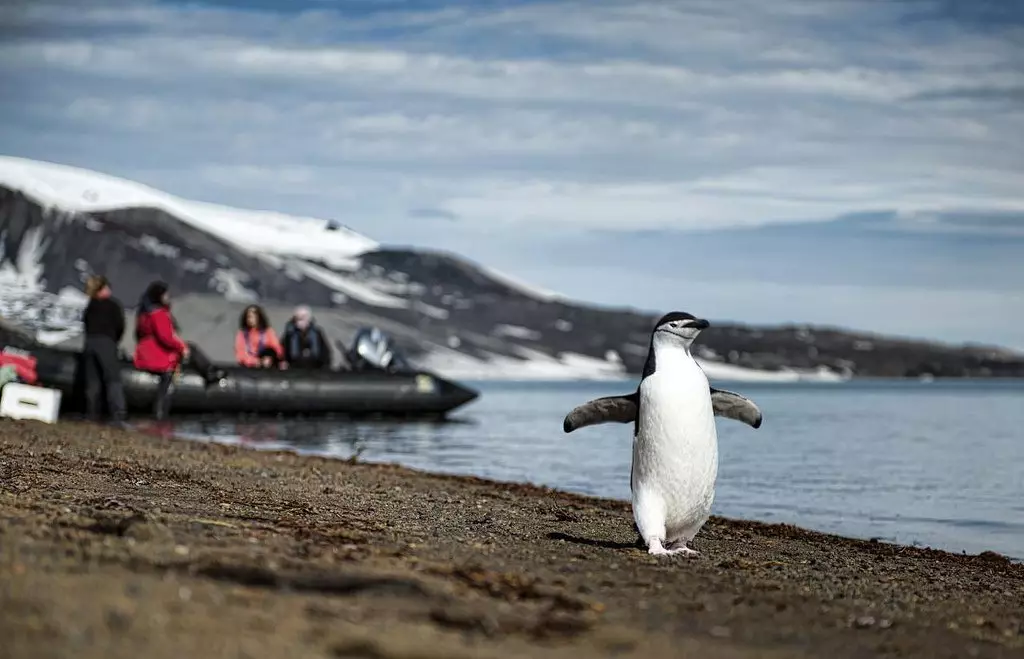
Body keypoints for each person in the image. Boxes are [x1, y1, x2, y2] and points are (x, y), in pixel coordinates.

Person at [133, 281, 224, 419]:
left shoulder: (143, 315)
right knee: (169, 380)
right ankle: (210, 373)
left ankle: (209, 371)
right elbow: (166, 337)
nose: (168, 297)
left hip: (145, 355)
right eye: (165, 294)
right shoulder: (159, 314)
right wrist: (182, 347)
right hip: (159, 356)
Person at [80, 275, 128, 425]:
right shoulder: (113, 305)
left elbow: (86, 324)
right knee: (113, 379)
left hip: (90, 343)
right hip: (106, 343)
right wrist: (114, 341)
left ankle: (92, 413)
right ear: (102, 289)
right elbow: (120, 326)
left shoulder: (90, 306)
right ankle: (118, 414)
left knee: (92, 380)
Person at [280, 305, 332, 370]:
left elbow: (325, 352)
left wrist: (325, 367)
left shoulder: (317, 333)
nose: (300, 320)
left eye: (303, 318)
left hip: (314, 368)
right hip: (294, 368)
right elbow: (282, 351)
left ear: (308, 319)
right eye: (298, 318)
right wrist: (283, 362)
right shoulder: (290, 334)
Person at [234, 304, 284, 368]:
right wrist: (255, 361)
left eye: (254, 316)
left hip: (267, 366)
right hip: (248, 367)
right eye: (249, 317)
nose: (251, 319)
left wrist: (270, 358)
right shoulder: (242, 334)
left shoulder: (268, 332)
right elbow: (240, 354)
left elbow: (277, 349)